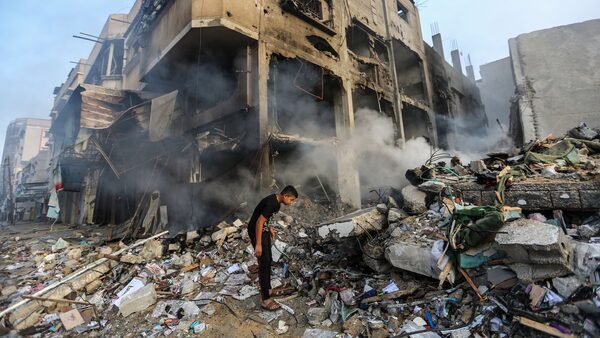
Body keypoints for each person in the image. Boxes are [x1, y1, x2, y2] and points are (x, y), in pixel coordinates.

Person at [248, 185, 298, 310]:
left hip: (263, 229)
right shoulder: (272, 203)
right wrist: (258, 244)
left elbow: (264, 217)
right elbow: (259, 222)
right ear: (285, 195)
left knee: (268, 259)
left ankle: (268, 290)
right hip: (256, 230)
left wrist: (269, 227)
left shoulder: (276, 202)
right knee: (263, 262)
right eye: (291, 200)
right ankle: (265, 300)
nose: (291, 203)